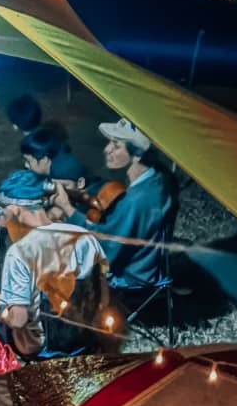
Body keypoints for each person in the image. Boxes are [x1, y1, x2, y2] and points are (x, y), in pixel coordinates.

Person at [0, 171, 108, 358]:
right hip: (84, 341)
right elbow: (103, 297)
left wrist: (0, 307)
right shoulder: (85, 237)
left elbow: (18, 321)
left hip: (39, 348)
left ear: (14, 210)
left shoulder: (20, 252)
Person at [49, 118, 178, 297]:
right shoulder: (158, 181)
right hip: (149, 269)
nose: (107, 149)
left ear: (138, 154)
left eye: (116, 145)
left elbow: (104, 251)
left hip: (130, 281)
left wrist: (67, 208)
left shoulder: (137, 200)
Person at [20, 125, 86, 187]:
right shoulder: (57, 152)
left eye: (29, 161)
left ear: (44, 160)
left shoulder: (63, 176)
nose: (26, 165)